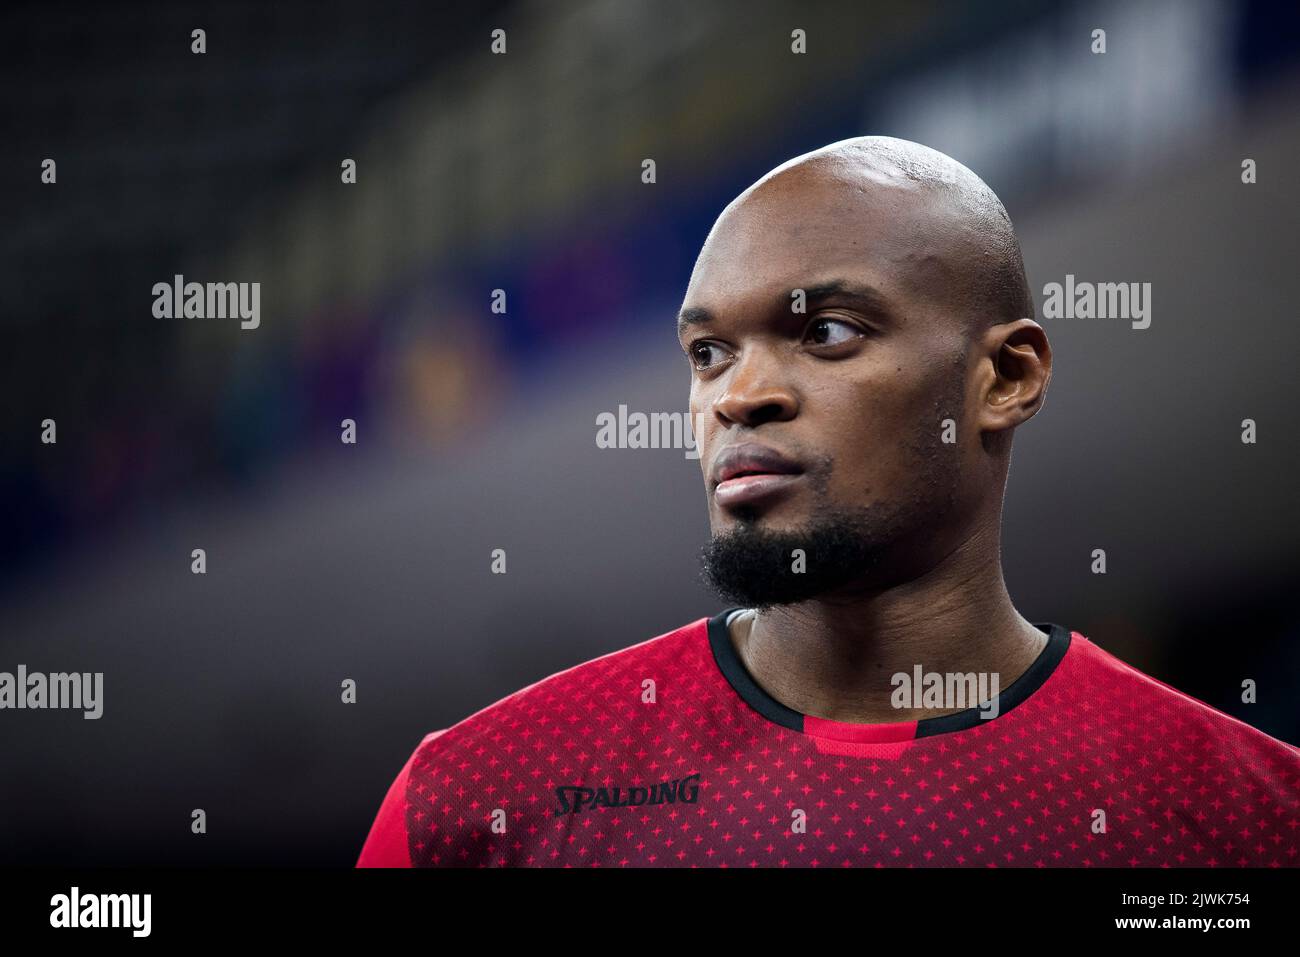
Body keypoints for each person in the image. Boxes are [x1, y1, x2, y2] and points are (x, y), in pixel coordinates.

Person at [358, 136, 1299, 867]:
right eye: (708, 352)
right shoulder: (477, 799)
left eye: (828, 331)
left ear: (1006, 376)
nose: (737, 394)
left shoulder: (1247, 818)